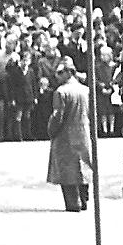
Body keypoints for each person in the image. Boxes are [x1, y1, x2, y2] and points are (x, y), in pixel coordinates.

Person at [47, 57, 93, 211]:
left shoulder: (61, 92)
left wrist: (51, 130)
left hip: (65, 135)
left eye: (60, 72)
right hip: (83, 133)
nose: (57, 76)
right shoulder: (85, 90)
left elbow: (57, 116)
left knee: (67, 170)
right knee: (83, 167)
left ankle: (74, 203)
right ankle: (85, 200)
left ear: (69, 73)